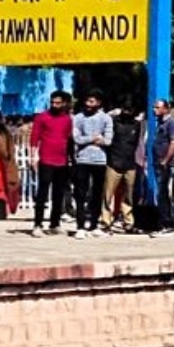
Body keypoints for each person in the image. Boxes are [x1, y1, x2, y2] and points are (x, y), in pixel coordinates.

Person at [30, 90, 73, 236]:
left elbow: (69, 138)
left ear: (64, 104)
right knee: (42, 193)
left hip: (62, 161)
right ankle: (37, 224)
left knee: (59, 194)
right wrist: (33, 156)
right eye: (52, 102)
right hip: (46, 159)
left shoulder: (67, 119)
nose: (54, 105)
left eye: (58, 103)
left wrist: (70, 159)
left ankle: (55, 223)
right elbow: (34, 137)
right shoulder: (42, 117)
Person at [71, 89, 113, 239]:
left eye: (92, 101)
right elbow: (77, 138)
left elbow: (108, 140)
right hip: (82, 160)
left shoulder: (106, 118)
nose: (88, 104)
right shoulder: (78, 118)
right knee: (80, 194)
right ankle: (80, 226)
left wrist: (92, 139)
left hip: (100, 160)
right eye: (87, 101)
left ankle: (94, 225)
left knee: (97, 194)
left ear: (98, 103)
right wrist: (93, 138)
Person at [101, 105, 141, 233]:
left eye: (130, 109)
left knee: (128, 195)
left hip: (130, 163)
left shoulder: (137, 125)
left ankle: (128, 222)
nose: (127, 112)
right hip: (114, 162)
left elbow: (136, 143)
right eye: (125, 109)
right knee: (108, 194)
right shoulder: (114, 122)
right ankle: (106, 221)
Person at [151, 99, 174, 236]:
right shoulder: (160, 123)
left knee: (163, 193)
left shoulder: (171, 123)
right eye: (154, 107)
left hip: (166, 164)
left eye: (157, 107)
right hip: (159, 162)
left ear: (166, 109)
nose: (154, 110)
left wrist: (166, 160)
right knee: (161, 193)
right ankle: (164, 221)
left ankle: (168, 223)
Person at [0, 108, 21, 216]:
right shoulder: (5, 131)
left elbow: (1, 147)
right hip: (5, 161)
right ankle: (5, 207)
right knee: (4, 183)